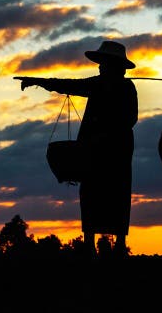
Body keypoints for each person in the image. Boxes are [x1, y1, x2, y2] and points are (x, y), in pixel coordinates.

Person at [15, 40, 138, 257]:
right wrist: (38, 81)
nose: (99, 66)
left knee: (115, 194)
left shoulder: (122, 87)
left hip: (114, 152)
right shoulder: (100, 85)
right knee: (93, 194)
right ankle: (91, 243)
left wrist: (105, 129)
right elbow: (68, 85)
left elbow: (130, 118)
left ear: (113, 65)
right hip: (98, 151)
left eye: (103, 63)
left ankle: (116, 244)